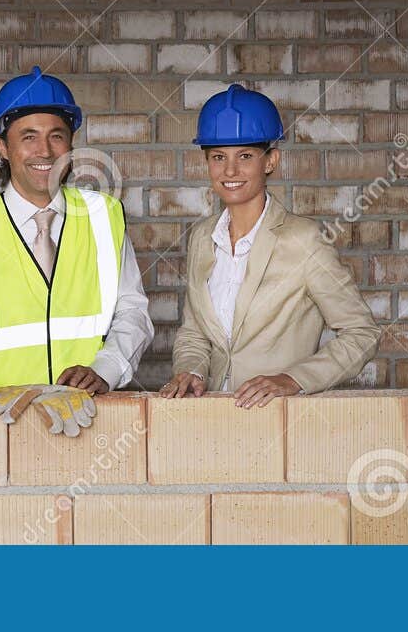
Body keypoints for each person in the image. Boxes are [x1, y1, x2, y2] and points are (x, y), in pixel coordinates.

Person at [0, 66, 151, 400]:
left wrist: (106, 368)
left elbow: (132, 310)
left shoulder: (104, 216)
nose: (45, 151)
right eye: (28, 136)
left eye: (56, 135)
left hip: (90, 418)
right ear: (3, 147)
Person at [160, 85, 379, 408]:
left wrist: (295, 379)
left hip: (278, 421)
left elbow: (362, 334)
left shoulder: (303, 239)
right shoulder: (203, 238)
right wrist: (191, 370)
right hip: (210, 417)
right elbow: (195, 333)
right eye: (219, 157)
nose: (230, 171)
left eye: (245, 156)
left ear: (270, 161)